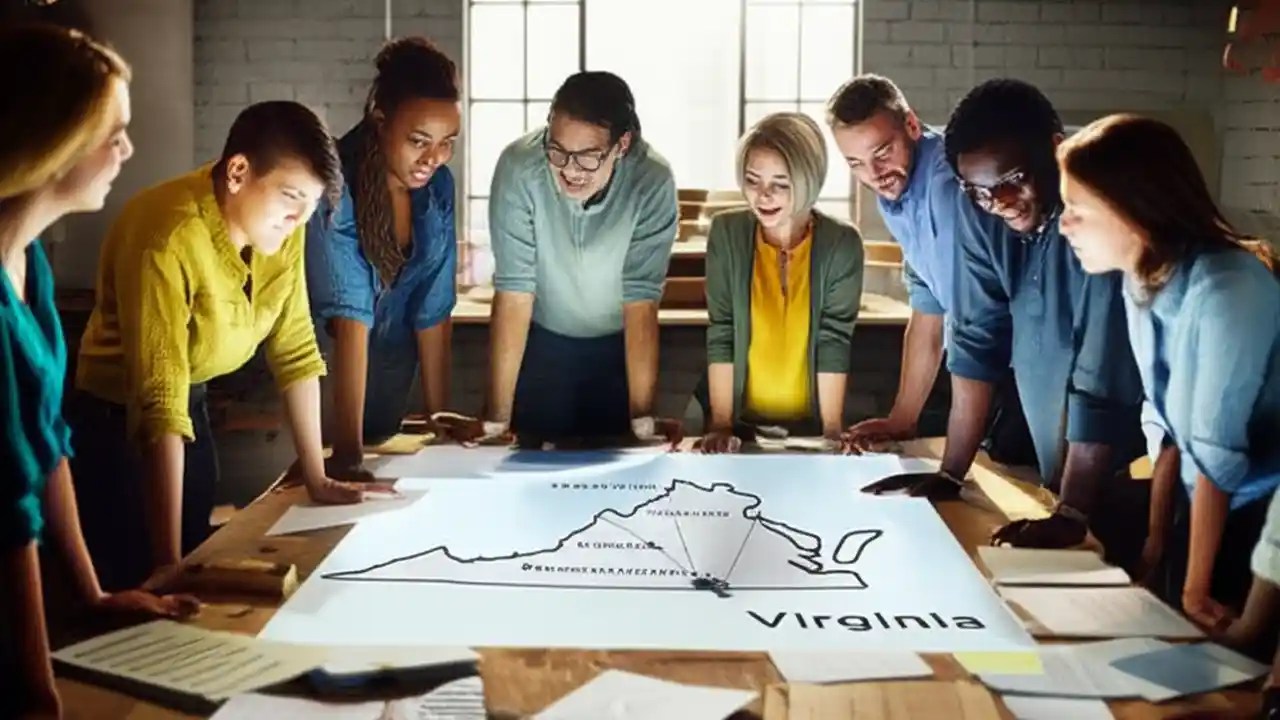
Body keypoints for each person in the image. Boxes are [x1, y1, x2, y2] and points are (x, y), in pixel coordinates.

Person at [69, 100, 394, 594]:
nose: (299, 219)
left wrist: (317, 476)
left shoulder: (285, 227)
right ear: (239, 171)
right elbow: (159, 400)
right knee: (140, 583)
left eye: (310, 205)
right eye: (290, 198)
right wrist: (166, 561)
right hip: (117, 426)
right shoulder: (167, 234)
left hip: (191, 409)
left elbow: (296, 348)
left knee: (195, 555)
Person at [0, 24, 198, 719]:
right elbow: (6, 509)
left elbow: (46, 444)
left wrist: (90, 597)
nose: (128, 150)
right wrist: (36, 694)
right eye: (112, 131)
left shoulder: (32, 263)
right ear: (53, 140)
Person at [862, 79, 1145, 552]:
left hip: (1131, 476)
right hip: (1064, 476)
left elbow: (1100, 385)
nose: (1001, 204)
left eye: (1013, 180)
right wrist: (951, 473)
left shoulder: (1097, 227)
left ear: (1057, 150)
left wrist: (1074, 511)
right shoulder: (997, 218)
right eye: (979, 191)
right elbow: (977, 338)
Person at [1056, 113, 1280, 631]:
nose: (1063, 225)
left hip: (1260, 526)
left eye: (1077, 210)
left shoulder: (1229, 293)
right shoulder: (1141, 279)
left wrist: (1193, 588)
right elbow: (1168, 432)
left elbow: (1215, 460)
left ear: (1133, 211)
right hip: (1199, 506)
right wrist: (1157, 550)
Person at [826, 74, 1034, 466]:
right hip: (995, 358)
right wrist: (902, 419)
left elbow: (974, 331)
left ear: (912, 125)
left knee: (1018, 477)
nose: (874, 173)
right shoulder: (897, 190)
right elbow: (928, 310)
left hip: (1028, 358)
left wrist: (951, 474)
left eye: (882, 151)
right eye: (856, 163)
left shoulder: (944, 190)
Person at [468, 71, 681, 449]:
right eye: (558, 150)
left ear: (622, 145)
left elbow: (641, 299)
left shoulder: (652, 179)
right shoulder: (520, 167)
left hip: (618, 346)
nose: (569, 169)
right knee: (529, 461)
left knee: (616, 462)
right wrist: (496, 419)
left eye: (588, 157)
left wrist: (643, 418)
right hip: (542, 340)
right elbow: (515, 289)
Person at [305, 36, 466, 477]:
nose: (433, 158)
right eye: (419, 141)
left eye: (447, 141)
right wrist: (347, 451)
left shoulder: (438, 189)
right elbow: (349, 318)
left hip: (390, 393)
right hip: (324, 401)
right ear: (380, 119)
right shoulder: (335, 186)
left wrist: (440, 422)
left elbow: (433, 311)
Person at [694, 112, 864, 453]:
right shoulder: (727, 233)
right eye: (752, 180)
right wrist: (721, 423)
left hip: (810, 426)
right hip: (739, 425)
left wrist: (832, 429)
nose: (762, 196)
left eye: (780, 184)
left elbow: (833, 339)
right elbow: (722, 331)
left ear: (808, 182)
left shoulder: (841, 244)